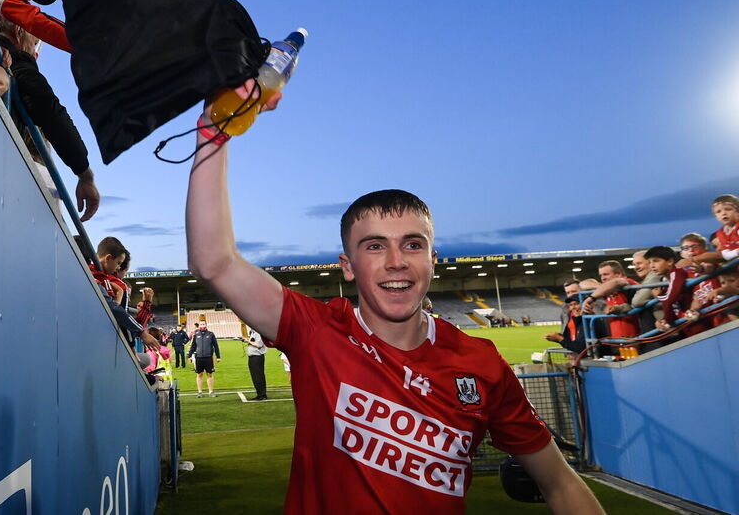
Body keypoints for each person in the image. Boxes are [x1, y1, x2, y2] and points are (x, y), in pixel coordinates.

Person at [184, 90, 604, 513]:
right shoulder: (317, 331)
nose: (396, 262)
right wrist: (215, 130)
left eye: (412, 244)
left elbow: (561, 484)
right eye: (374, 247)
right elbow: (214, 262)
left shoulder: (482, 363)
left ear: (433, 260)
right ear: (347, 266)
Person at [0, 18, 99, 220]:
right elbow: (49, 110)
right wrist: (85, 174)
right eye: (33, 43)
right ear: (18, 30)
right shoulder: (14, 58)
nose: (33, 52)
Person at [544, 281, 587, 355]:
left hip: (586, 354)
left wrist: (559, 338)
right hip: (572, 353)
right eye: (568, 292)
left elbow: (582, 345)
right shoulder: (566, 313)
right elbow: (567, 334)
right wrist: (557, 337)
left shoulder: (591, 311)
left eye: (573, 291)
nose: (570, 295)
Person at [187, 322, 221, 398]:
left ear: (206, 325)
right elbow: (193, 346)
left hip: (208, 357)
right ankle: (200, 392)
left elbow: (216, 346)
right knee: (199, 374)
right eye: (201, 324)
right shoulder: (196, 334)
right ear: (199, 326)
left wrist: (218, 356)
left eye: (203, 324)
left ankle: (211, 391)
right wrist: (189, 356)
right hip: (198, 357)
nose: (202, 326)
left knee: (210, 374)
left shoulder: (211, 334)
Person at [245, 326, 269, 401]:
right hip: (253, 357)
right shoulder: (253, 332)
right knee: (256, 376)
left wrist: (248, 341)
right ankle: (260, 394)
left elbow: (259, 344)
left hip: (257, 357)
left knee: (258, 376)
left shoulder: (258, 332)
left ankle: (262, 394)